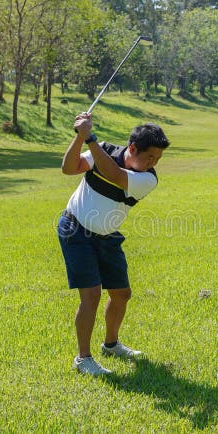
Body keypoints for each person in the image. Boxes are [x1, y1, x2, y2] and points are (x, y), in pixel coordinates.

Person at [58, 112, 170, 376]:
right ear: (132, 148)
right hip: (76, 230)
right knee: (92, 295)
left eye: (157, 159)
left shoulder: (148, 179)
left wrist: (90, 139)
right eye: (150, 156)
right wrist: (80, 138)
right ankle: (83, 359)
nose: (153, 163)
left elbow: (115, 175)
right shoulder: (104, 150)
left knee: (121, 294)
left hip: (107, 236)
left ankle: (111, 344)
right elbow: (68, 168)